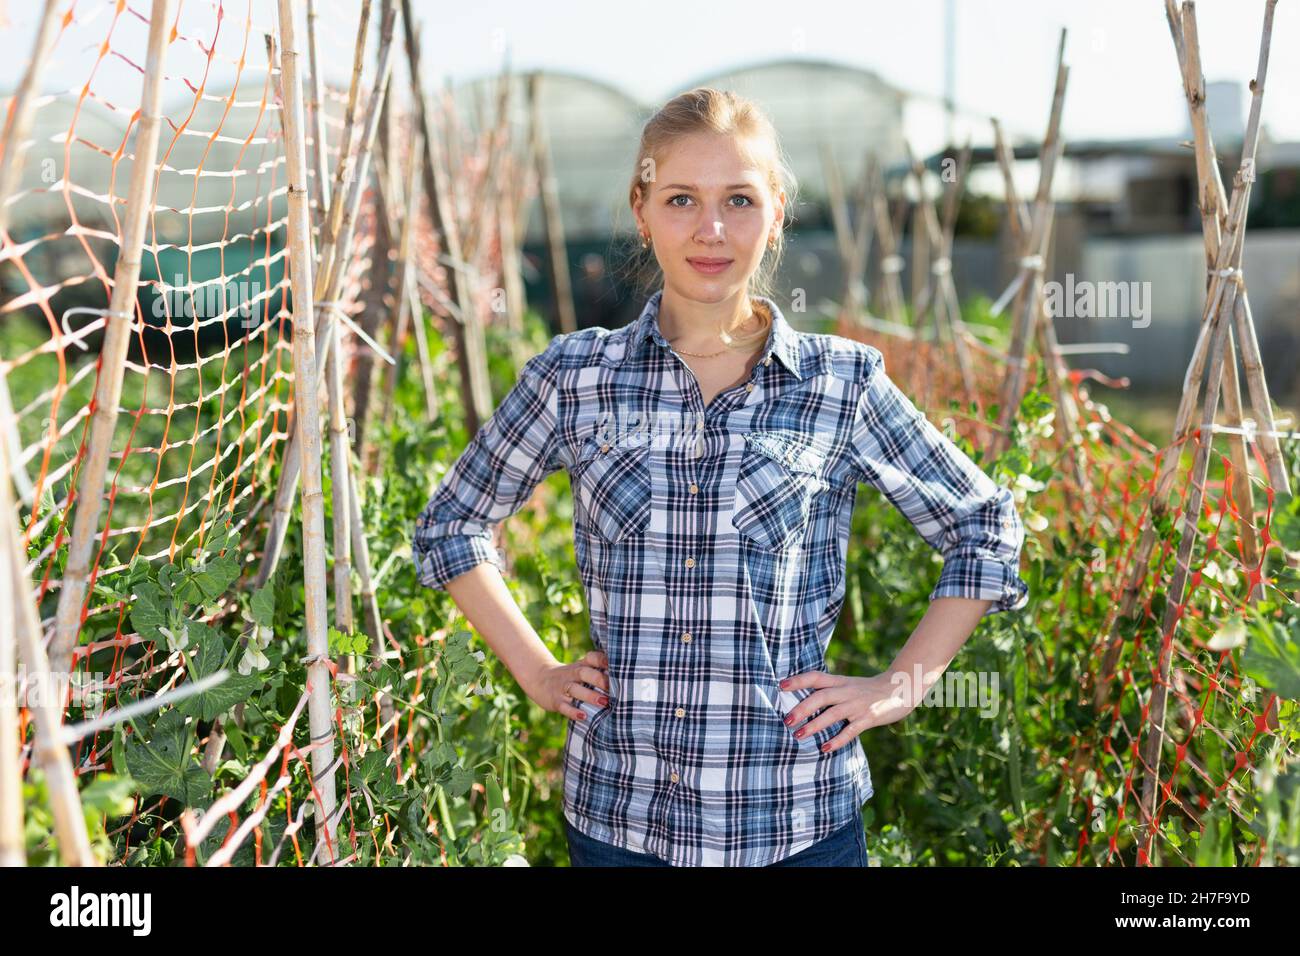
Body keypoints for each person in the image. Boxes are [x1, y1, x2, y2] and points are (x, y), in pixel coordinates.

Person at [412, 87, 1030, 867]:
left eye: (738, 199)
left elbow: (983, 524)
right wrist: (536, 671)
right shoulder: (575, 377)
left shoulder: (841, 384)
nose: (710, 230)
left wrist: (897, 688)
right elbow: (453, 522)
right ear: (642, 211)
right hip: (621, 823)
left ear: (774, 212)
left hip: (797, 823)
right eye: (681, 200)